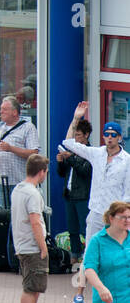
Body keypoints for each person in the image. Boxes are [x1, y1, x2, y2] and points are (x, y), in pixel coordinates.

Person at [61, 102, 130, 255]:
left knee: (115, 251)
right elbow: (69, 143)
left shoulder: (127, 160)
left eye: (113, 135)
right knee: (91, 251)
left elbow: (128, 192)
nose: (109, 138)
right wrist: (76, 119)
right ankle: (87, 277)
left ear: (119, 137)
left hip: (116, 213)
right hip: (96, 211)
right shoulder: (97, 153)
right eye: (107, 134)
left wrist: (125, 216)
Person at [84, 201, 130, 303]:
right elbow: (89, 268)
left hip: (128, 299)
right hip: (107, 301)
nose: (127, 221)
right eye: (123, 217)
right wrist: (101, 288)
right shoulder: (98, 241)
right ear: (111, 218)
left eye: (129, 217)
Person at [11, 154, 51, 303]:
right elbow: (35, 221)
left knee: (32, 286)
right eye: (46, 172)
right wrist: (43, 247)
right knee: (32, 288)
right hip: (32, 246)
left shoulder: (18, 190)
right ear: (41, 172)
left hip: (21, 244)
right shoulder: (33, 194)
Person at [0, 94, 40, 201]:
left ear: (14, 112)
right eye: (1, 109)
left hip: (20, 181)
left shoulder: (28, 128)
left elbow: (34, 153)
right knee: (2, 215)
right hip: (0, 182)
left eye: (4, 109)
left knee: (21, 215)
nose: (1, 112)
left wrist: (11, 148)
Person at [57, 117, 94, 275]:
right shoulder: (72, 151)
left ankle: (87, 257)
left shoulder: (90, 152)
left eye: (78, 135)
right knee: (72, 228)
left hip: (83, 195)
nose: (76, 138)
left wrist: (70, 158)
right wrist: (61, 161)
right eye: (75, 135)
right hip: (70, 193)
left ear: (86, 135)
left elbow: (85, 171)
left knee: (85, 227)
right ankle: (74, 256)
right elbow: (61, 173)